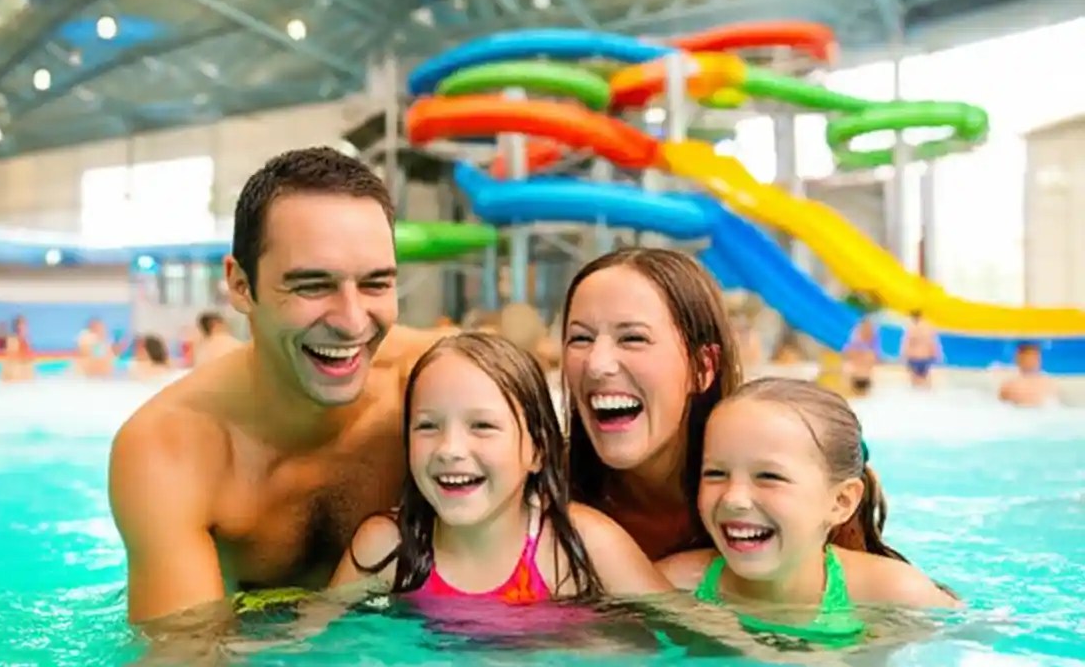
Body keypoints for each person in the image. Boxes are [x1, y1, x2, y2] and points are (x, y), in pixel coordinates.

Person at [108, 147, 444, 626]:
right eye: (312, 285)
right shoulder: (169, 451)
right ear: (240, 286)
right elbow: (185, 663)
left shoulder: (436, 390)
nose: (352, 322)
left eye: (376, 284)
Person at [330, 332, 670, 601]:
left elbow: (682, 639)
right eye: (428, 426)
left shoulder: (581, 546)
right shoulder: (387, 549)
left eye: (482, 426)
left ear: (537, 450)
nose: (449, 449)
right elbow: (312, 648)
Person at [658, 378, 958, 648]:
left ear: (840, 502)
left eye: (769, 476)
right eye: (715, 473)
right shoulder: (676, 584)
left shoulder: (895, 595)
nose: (734, 499)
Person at [559, 247, 743, 562]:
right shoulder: (541, 498)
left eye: (633, 338)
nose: (597, 364)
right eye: (580, 339)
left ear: (703, 368)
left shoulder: (782, 489)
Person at [998, 342, 1059, 408]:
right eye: (1029, 357)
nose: (1032, 360)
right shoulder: (1010, 385)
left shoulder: (1048, 383)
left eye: (1035, 357)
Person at [901, 310, 943, 389]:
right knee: (927, 383)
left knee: (915, 384)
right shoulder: (929, 327)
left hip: (914, 357)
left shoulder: (911, 328)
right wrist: (937, 355)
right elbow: (933, 343)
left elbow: (907, 344)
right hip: (927, 357)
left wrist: (903, 357)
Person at [841, 316, 880, 397]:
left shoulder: (873, 342)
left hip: (863, 368)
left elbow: (875, 355)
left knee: (868, 357)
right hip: (856, 369)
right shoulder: (855, 339)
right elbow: (848, 352)